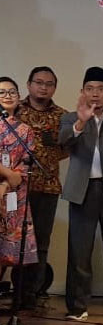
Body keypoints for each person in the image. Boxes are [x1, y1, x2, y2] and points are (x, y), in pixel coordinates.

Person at [59, 67, 103, 321]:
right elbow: (63, 142)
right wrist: (81, 122)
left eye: (100, 89)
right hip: (82, 190)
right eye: (90, 89)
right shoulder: (70, 118)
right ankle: (78, 307)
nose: (95, 94)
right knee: (79, 250)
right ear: (82, 92)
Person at [15, 66, 67, 304]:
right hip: (16, 187)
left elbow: (68, 147)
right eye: (39, 82)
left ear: (54, 88)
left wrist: (51, 155)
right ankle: (15, 290)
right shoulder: (15, 110)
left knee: (40, 243)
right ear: (28, 85)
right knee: (16, 240)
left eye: (49, 84)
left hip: (47, 187)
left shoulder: (63, 116)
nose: (43, 87)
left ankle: (31, 294)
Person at [0, 77, 38, 307]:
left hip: (15, 195)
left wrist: (6, 184)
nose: (7, 95)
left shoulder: (25, 131)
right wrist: (5, 174)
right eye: (2, 92)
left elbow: (25, 164)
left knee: (6, 251)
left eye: (12, 91)